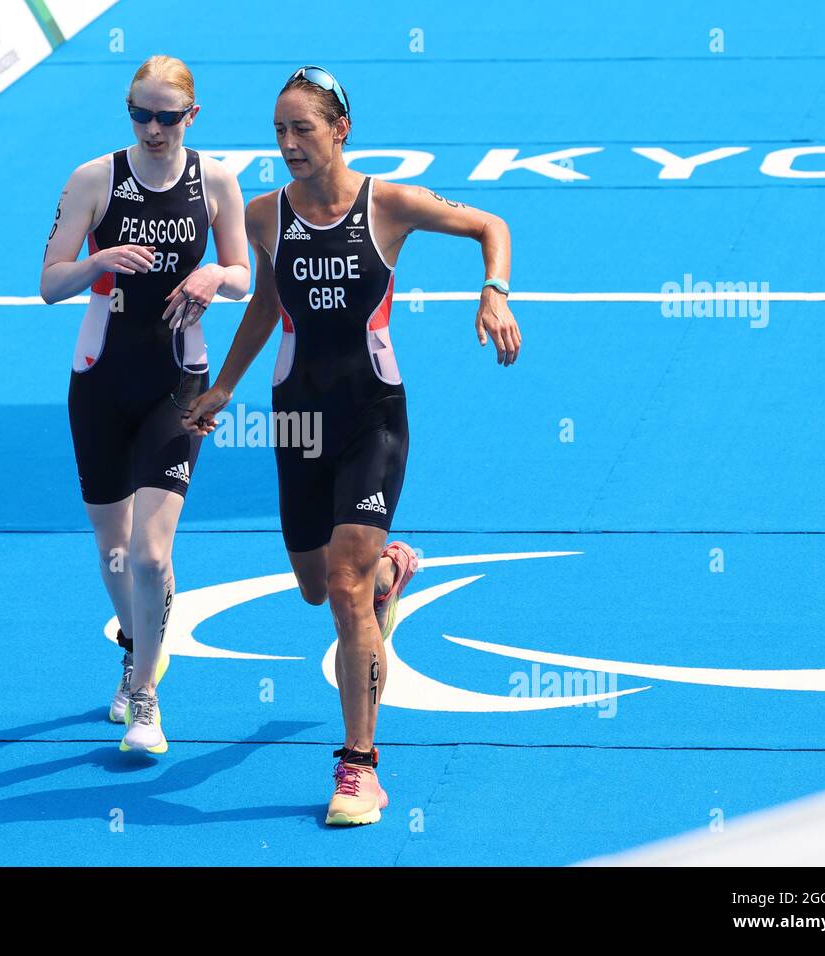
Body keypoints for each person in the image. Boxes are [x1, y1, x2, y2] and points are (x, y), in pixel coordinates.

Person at [183, 66, 520, 824]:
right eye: (279, 130)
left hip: (374, 416)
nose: (289, 143)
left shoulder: (388, 204)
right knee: (315, 585)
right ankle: (386, 580)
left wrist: (493, 292)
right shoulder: (266, 215)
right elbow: (268, 300)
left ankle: (359, 766)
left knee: (339, 586)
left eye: (303, 128)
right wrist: (224, 387)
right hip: (296, 419)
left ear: (341, 131)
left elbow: (489, 227)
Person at [39, 55, 250, 754]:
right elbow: (49, 283)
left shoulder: (216, 179)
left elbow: (244, 277)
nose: (153, 129)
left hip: (179, 381)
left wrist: (215, 272)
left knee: (154, 558)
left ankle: (146, 697)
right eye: (140, 115)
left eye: (167, 116)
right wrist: (98, 263)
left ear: (193, 115)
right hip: (100, 378)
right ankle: (136, 647)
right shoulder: (94, 179)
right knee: (117, 551)